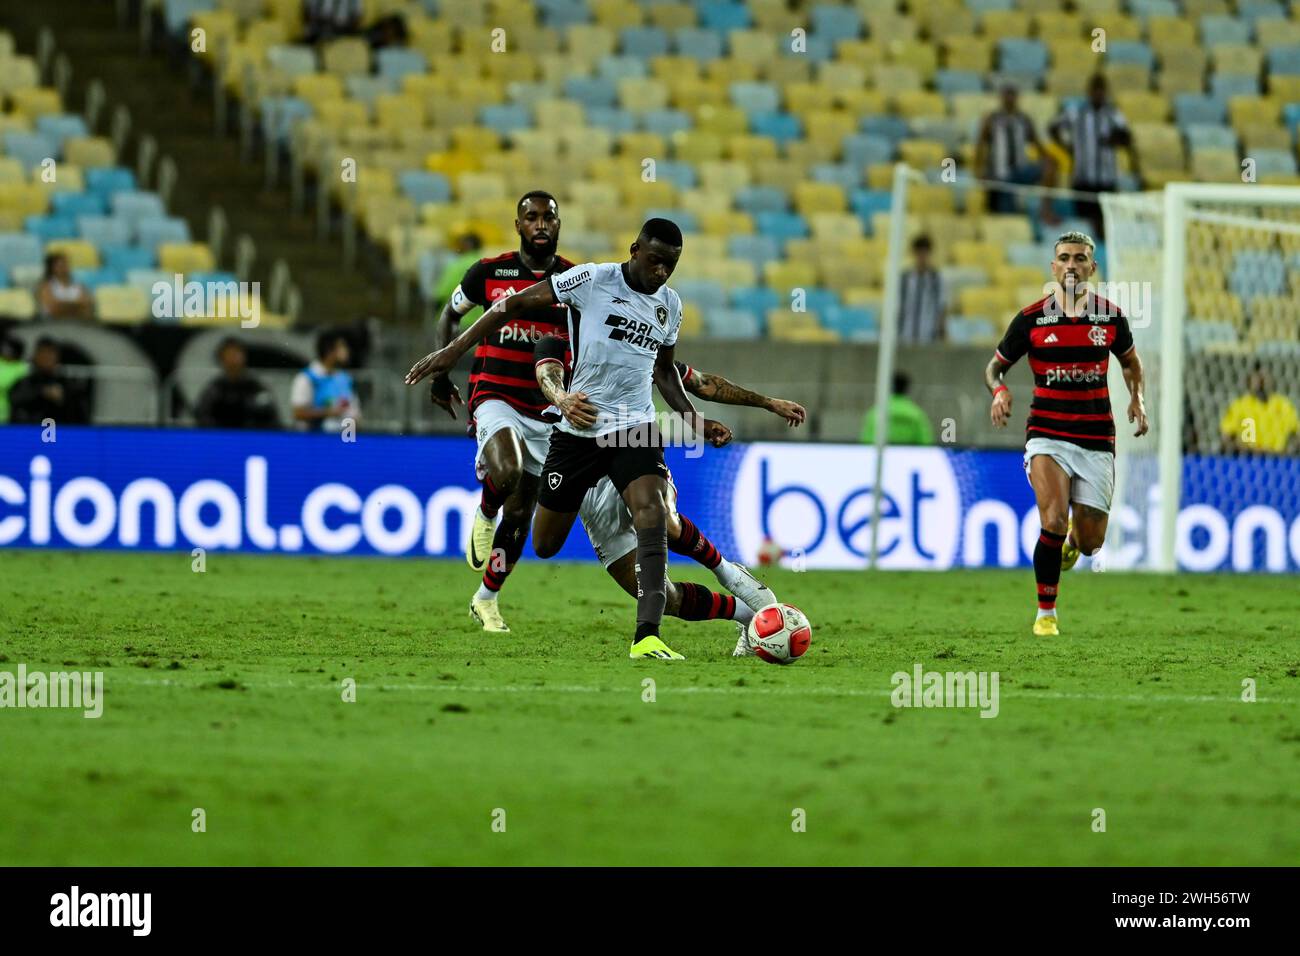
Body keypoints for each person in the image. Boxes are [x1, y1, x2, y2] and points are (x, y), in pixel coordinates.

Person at [408, 218, 729, 660]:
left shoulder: (670, 305)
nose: (660, 273)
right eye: (654, 262)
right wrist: (452, 353)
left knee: (650, 512)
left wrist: (692, 419)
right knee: (542, 539)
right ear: (634, 250)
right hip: (566, 423)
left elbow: (665, 370)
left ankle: (647, 635)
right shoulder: (591, 279)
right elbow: (510, 307)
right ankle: (487, 513)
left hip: (632, 427)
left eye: (669, 266)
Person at [535, 334, 807, 655]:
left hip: (631, 446)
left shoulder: (632, 342)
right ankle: (745, 613)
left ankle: (728, 572)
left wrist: (767, 402)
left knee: (664, 518)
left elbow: (702, 383)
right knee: (661, 595)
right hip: (581, 471)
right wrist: (560, 397)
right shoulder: (558, 341)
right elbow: (546, 373)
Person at [407, 193, 575, 632]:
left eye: (548, 218)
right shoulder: (489, 273)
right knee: (507, 471)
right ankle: (485, 512)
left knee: (520, 514)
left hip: (548, 411)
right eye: (531, 217)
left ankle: (486, 599)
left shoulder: (577, 281)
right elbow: (450, 315)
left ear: (559, 226)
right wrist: (442, 374)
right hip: (494, 393)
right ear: (518, 225)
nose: (540, 225)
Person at [985, 230, 1147, 636]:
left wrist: (1137, 399)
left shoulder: (1110, 317)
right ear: (1053, 267)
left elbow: (1130, 363)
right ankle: (1046, 614)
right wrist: (1000, 391)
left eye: (1080, 258)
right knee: (1053, 519)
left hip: (1096, 437)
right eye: (1064, 258)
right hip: (1047, 432)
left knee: (1092, 544)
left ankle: (1076, 541)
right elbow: (995, 367)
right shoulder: (1031, 319)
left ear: (1093, 267)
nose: (1072, 265)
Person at [1049, 74, 1137, 240]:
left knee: (1104, 223)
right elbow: (1053, 127)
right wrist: (1067, 146)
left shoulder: (1113, 114)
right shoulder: (1076, 113)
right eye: (1095, 90)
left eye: (1101, 90)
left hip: (1107, 179)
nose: (1098, 94)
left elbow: (1128, 137)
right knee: (1084, 225)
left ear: (1106, 92)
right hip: (1083, 178)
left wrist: (1114, 140)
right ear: (1088, 91)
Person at [975, 84, 1057, 220]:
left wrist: (1050, 159)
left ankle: (1046, 209)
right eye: (1007, 95)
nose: (1009, 98)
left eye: (1012, 95)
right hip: (1000, 176)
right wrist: (978, 171)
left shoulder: (1024, 120)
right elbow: (980, 146)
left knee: (1049, 166)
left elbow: (1038, 145)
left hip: (1020, 171)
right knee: (1008, 215)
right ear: (1001, 97)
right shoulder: (991, 119)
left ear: (1017, 97)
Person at [194, 337, 280, 430]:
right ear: (221, 359)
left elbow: (271, 419)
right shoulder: (214, 389)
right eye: (229, 354)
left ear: (244, 357)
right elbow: (202, 417)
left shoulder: (256, 388)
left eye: (236, 354)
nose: (233, 359)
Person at [1220, 363, 1299, 455]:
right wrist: (1242, 448)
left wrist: (1290, 449)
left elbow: (1297, 434)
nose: (1261, 381)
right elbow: (1226, 437)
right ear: (1249, 381)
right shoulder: (1240, 405)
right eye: (1258, 377)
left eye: (1265, 377)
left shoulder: (1284, 405)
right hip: (1249, 457)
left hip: (1278, 458)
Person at [9, 337, 91, 425]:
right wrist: (41, 393)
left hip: (59, 434)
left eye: (50, 353)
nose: (47, 358)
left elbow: (80, 414)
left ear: (57, 357)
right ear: (36, 356)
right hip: (30, 433)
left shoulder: (66, 385)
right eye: (43, 353)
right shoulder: (25, 382)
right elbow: (16, 401)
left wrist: (63, 399)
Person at [291, 330, 359, 432]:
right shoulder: (307, 378)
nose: (346, 351)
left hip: (341, 441)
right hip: (313, 441)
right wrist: (329, 413)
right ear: (329, 351)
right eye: (341, 347)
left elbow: (354, 413)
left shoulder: (345, 379)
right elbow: (298, 413)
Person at [861, 371, 934, 446]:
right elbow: (925, 442)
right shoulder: (916, 414)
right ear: (907, 388)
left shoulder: (875, 412)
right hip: (909, 455)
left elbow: (867, 441)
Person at [897, 235, 946, 344]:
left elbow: (941, 308)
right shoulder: (905, 279)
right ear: (914, 254)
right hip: (905, 335)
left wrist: (942, 333)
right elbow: (898, 306)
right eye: (919, 253)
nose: (922, 257)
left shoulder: (936, 279)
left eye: (925, 253)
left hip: (928, 336)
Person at [36, 253, 94, 320]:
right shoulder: (46, 286)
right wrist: (77, 306)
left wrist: (62, 305)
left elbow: (87, 307)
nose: (65, 267)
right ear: (52, 268)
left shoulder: (79, 285)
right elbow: (53, 308)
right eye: (61, 265)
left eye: (66, 264)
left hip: (76, 324)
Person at [0, 334, 29, 423]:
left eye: (9, 350)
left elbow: (5, 384)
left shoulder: (23, 367)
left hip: (8, 412)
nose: (6, 352)